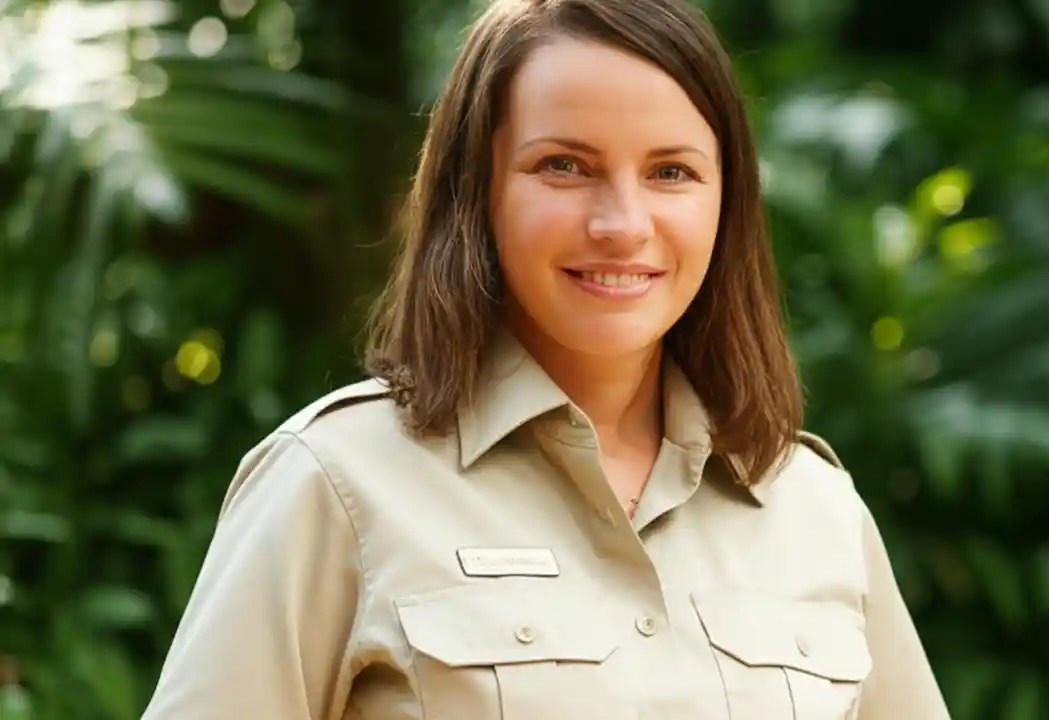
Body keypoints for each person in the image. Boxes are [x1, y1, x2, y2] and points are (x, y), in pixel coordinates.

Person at [141, 0, 951, 717]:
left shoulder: (813, 508)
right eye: (564, 166)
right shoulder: (335, 485)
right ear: (476, 192)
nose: (623, 224)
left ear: (725, 202)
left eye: (671, 172)